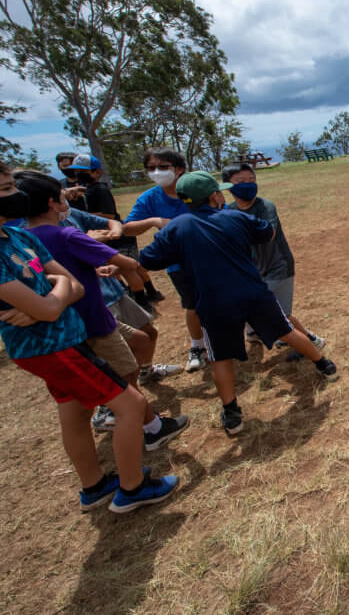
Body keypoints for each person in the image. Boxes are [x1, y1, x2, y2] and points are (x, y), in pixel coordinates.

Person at [0, 161, 178, 513]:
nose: (14, 195)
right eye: (5, 189)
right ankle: (133, 487)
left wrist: (51, 296)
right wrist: (52, 298)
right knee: (131, 405)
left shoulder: (19, 237)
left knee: (75, 411)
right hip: (51, 347)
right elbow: (53, 306)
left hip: (66, 337)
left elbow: (74, 287)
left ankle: (94, 485)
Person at [139, 171, 339, 435]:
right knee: (286, 331)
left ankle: (232, 413)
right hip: (252, 292)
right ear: (213, 196)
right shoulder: (234, 217)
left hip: (212, 302)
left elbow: (148, 259)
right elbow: (266, 233)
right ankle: (324, 366)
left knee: (220, 357)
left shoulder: (177, 226)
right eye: (220, 191)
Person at [16, 170, 189, 449]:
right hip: (93, 319)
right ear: (53, 202)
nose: (67, 199)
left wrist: (94, 264)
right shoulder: (69, 234)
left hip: (73, 320)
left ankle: (132, 416)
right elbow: (130, 263)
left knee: (141, 341)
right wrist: (98, 243)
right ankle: (142, 425)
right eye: (63, 196)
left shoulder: (23, 238)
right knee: (123, 377)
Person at [221, 162, 326, 352]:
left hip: (279, 267)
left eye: (252, 180)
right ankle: (255, 332)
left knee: (280, 313)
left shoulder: (265, 206)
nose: (249, 184)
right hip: (255, 270)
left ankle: (312, 340)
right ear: (227, 185)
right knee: (254, 303)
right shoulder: (228, 211)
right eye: (241, 181)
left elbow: (269, 234)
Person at [122, 147, 208, 372]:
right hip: (178, 263)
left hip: (210, 254)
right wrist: (153, 220)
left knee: (229, 294)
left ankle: (249, 329)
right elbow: (128, 229)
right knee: (193, 304)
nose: (157, 172)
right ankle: (197, 346)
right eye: (151, 168)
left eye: (163, 167)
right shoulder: (149, 198)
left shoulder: (196, 188)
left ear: (179, 169)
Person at [66, 153, 162, 312]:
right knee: (132, 266)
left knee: (127, 268)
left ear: (97, 172)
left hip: (117, 235)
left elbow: (109, 215)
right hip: (107, 235)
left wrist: (82, 215)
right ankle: (151, 292)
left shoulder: (99, 190)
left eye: (84, 171)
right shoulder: (89, 189)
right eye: (76, 171)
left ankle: (143, 302)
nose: (79, 174)